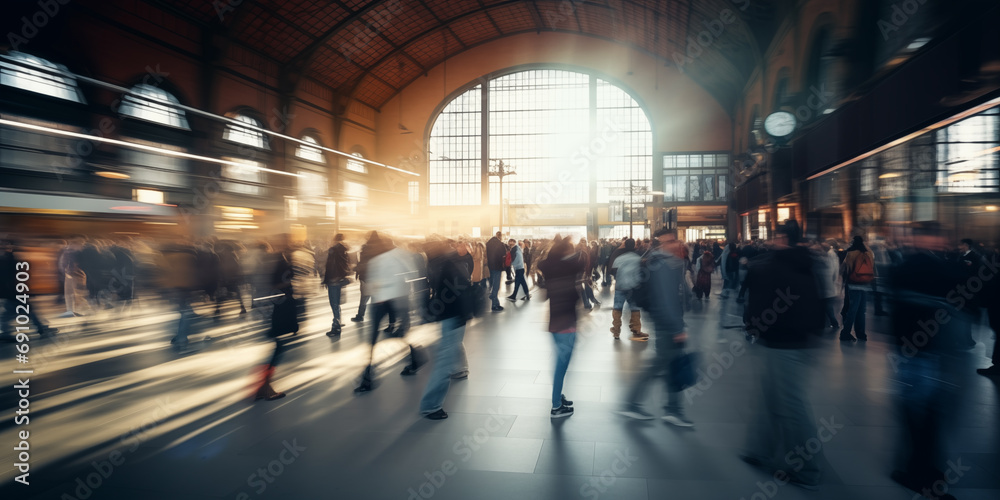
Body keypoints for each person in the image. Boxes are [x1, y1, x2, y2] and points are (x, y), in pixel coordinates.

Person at [738, 223, 826, 490]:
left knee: (790, 405)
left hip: (780, 340)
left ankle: (808, 469)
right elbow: (819, 300)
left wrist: (753, 326)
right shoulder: (808, 263)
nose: (772, 240)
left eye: (775, 236)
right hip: (800, 338)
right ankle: (760, 450)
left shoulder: (774, 265)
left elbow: (760, 303)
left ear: (783, 239)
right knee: (770, 397)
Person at [889, 222, 967, 500]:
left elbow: (897, 307)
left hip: (912, 350)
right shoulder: (942, 268)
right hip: (933, 351)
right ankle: (928, 473)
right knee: (929, 414)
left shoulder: (905, 267)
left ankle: (917, 472)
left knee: (914, 412)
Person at [617, 228, 691, 427]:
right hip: (667, 322)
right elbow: (667, 299)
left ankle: (670, 408)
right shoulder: (663, 264)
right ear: (664, 243)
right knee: (661, 363)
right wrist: (678, 328)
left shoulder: (671, 262)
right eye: (672, 241)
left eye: (676, 240)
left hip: (668, 320)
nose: (677, 244)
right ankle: (634, 404)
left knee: (668, 364)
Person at [355, 237, 424, 394]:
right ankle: (415, 357)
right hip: (400, 299)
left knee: (373, 339)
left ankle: (368, 379)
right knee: (402, 334)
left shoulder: (377, 259)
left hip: (382, 301)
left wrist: (380, 294)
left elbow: (374, 282)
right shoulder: (403, 254)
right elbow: (411, 275)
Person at [419, 238, 474, 420]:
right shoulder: (450, 262)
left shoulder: (435, 264)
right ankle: (431, 405)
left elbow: (431, 288)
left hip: (446, 312)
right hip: (454, 313)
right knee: (445, 359)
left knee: (452, 345)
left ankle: (461, 369)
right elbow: (462, 287)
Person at [537, 236, 583, 418]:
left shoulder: (551, 267)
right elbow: (580, 260)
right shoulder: (568, 268)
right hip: (567, 322)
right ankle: (556, 406)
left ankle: (558, 396)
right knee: (561, 365)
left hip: (554, 321)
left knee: (559, 363)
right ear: (565, 251)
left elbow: (543, 295)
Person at [0, 239, 58, 340]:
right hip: (15, 291)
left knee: (18, 311)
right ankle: (42, 329)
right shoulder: (10, 260)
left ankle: (42, 328)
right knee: (22, 311)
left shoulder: (9, 259)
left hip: (13, 291)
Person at [608, 238, 647, 342]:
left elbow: (613, 271)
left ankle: (616, 331)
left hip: (620, 286)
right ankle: (636, 330)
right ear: (634, 246)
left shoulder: (619, 258)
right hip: (633, 287)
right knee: (634, 308)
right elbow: (642, 272)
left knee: (617, 308)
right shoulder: (637, 258)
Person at [840, 235, 876, 342]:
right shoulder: (869, 253)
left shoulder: (850, 254)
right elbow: (872, 267)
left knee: (852, 310)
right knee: (861, 310)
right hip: (865, 284)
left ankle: (845, 333)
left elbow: (845, 269)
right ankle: (861, 334)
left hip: (853, 284)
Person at [323, 234, 351, 337]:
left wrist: (326, 280)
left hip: (333, 280)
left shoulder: (333, 250)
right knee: (337, 303)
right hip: (340, 280)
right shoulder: (344, 250)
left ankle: (336, 327)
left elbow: (329, 267)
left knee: (334, 304)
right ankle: (339, 321)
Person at [352, 232, 380, 322]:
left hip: (366, 277)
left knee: (364, 298)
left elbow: (362, 262)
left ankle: (360, 316)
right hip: (377, 277)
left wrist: (357, 270)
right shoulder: (380, 249)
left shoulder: (365, 248)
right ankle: (375, 316)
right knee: (375, 298)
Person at [486, 231, 506, 312]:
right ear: (500, 236)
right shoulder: (500, 244)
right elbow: (503, 254)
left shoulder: (488, 243)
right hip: (497, 266)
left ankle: (496, 303)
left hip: (490, 266)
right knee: (496, 285)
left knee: (493, 283)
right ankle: (494, 302)